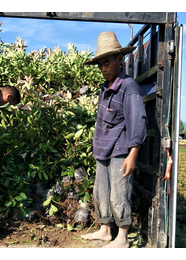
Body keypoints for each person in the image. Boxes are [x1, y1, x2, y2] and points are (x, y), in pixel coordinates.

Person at [81, 31, 147, 248]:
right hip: (103, 149)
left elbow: (137, 121)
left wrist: (133, 154)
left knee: (120, 193)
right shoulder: (105, 88)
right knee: (102, 192)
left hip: (120, 150)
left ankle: (123, 237)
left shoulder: (128, 87)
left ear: (120, 59)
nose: (103, 68)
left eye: (107, 62)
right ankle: (106, 230)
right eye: (100, 64)